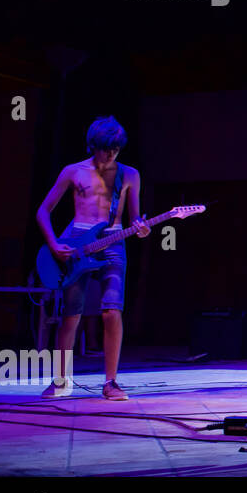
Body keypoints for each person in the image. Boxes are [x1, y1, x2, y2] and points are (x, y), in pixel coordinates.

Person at [36, 116, 151, 400]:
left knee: (112, 311)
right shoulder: (73, 171)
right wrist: (53, 244)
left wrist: (141, 228)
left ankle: (110, 382)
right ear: (93, 146)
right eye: (105, 149)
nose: (110, 155)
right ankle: (61, 380)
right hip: (76, 245)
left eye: (116, 149)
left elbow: (135, 219)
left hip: (113, 243)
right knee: (70, 315)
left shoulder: (130, 175)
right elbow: (43, 211)